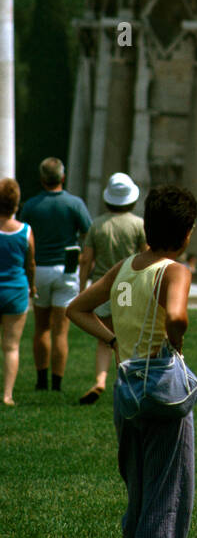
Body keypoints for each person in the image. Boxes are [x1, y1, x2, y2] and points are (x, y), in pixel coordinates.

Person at [65, 185, 197, 538]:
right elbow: (176, 315)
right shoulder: (173, 271)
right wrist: (175, 343)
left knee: (138, 489)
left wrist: (112, 341)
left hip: (127, 389)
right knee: (168, 490)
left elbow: (76, 309)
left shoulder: (125, 268)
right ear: (187, 233)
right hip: (161, 390)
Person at [21, 157, 92, 394]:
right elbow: (88, 233)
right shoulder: (74, 204)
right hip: (66, 269)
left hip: (40, 268)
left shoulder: (31, 205)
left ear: (42, 179)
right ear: (63, 177)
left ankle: (41, 381)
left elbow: (25, 238)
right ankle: (57, 382)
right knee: (61, 329)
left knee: (41, 327)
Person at [77, 173, 147, 406]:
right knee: (126, 338)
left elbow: (86, 259)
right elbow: (147, 257)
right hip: (127, 286)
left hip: (101, 288)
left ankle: (99, 380)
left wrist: (82, 288)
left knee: (105, 338)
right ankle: (125, 382)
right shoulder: (138, 224)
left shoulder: (97, 224)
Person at [0, 178, 36, 406]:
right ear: (16, 204)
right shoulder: (25, 231)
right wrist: (32, 286)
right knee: (11, 346)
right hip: (16, 291)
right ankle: (7, 395)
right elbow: (30, 264)